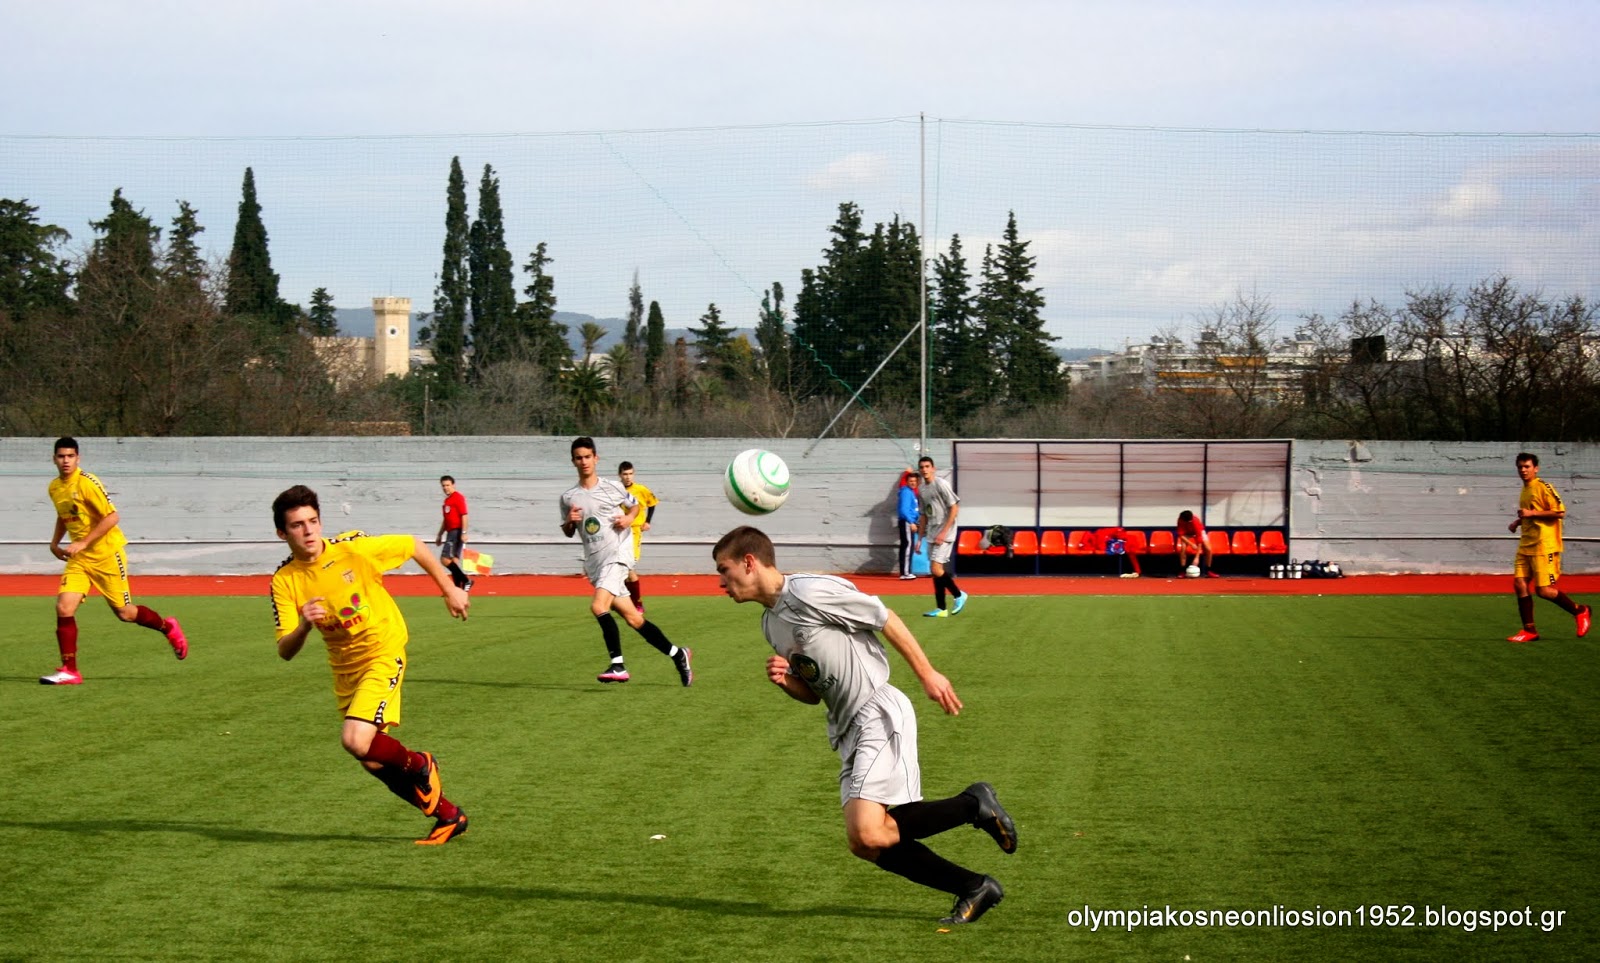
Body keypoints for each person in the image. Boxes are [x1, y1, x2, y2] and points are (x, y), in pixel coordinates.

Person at [711, 526, 1016, 925]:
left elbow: (884, 617)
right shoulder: (770, 624)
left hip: (876, 710)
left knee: (871, 832)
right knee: (865, 842)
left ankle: (973, 805)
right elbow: (814, 693)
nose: (721, 582)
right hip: (845, 728)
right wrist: (787, 682)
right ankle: (975, 884)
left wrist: (927, 674)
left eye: (724, 569)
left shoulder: (809, 592)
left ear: (749, 562)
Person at [269, 484, 471, 845]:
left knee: (354, 739)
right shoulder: (284, 581)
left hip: (382, 650)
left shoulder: (353, 549)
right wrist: (304, 625)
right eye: (297, 525)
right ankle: (449, 815)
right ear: (282, 534)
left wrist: (449, 589)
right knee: (372, 759)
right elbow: (285, 650)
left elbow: (413, 545)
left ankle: (422, 764)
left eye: (313, 521)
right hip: (345, 668)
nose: (309, 531)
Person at [40, 436, 187, 685]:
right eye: (61, 456)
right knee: (64, 608)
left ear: (78, 458)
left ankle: (168, 627)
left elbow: (112, 517)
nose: (66, 461)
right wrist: (55, 543)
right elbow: (64, 516)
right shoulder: (55, 487)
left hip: (107, 555)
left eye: (70, 456)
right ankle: (70, 670)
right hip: (80, 560)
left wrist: (83, 542)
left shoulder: (87, 483)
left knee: (125, 613)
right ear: (54, 459)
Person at [561, 437, 692, 686]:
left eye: (588, 457)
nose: (584, 461)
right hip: (596, 564)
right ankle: (678, 654)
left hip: (618, 555)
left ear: (596, 458)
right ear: (573, 461)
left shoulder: (613, 488)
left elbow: (635, 508)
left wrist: (629, 520)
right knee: (634, 619)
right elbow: (568, 532)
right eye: (579, 458)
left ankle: (618, 665)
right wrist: (569, 521)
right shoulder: (569, 497)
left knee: (598, 606)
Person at [1506, 452, 1591, 643]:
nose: (1523, 470)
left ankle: (1580, 611)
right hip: (1526, 544)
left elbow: (1559, 512)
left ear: (1536, 468)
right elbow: (1530, 512)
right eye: (1520, 467)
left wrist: (1531, 514)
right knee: (1519, 584)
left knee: (1543, 590)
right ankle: (1529, 630)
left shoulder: (1544, 487)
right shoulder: (1525, 489)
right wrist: (1517, 522)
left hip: (1544, 545)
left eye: (1527, 466)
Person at [916, 456, 968, 616]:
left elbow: (954, 508)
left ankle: (959, 594)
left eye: (927, 466)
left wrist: (944, 532)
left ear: (933, 468)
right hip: (932, 532)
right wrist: (919, 539)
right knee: (936, 571)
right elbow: (923, 515)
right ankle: (941, 608)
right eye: (922, 467)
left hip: (945, 532)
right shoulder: (921, 489)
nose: (924, 469)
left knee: (935, 568)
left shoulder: (941, 484)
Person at [618, 460, 659, 613]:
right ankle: (630, 601)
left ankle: (637, 602)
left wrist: (647, 521)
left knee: (629, 567)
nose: (628, 477)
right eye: (625, 474)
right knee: (621, 569)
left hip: (634, 532)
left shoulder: (641, 489)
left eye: (630, 474)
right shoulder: (615, 489)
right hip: (618, 532)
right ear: (620, 475)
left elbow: (652, 503)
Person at [435, 475, 472, 592]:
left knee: (444, 559)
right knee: (454, 560)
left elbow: (464, 515)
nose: (445, 488)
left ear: (453, 485)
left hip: (456, 532)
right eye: (443, 486)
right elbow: (446, 520)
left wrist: (464, 532)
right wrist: (440, 534)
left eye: (448, 485)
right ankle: (457, 590)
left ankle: (466, 580)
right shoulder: (447, 501)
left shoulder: (458, 497)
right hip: (451, 532)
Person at [1175, 510, 1218, 578]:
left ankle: (1209, 571)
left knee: (1208, 549)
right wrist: (1191, 544)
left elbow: (1199, 537)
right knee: (1183, 548)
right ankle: (1183, 571)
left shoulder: (1195, 521)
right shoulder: (1180, 520)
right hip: (1187, 534)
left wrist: (1197, 557)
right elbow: (1181, 535)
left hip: (1199, 533)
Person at [895, 469, 920, 580]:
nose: (913, 483)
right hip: (907, 522)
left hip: (909, 521)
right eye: (911, 481)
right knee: (908, 545)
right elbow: (904, 510)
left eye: (915, 481)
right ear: (907, 481)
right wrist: (911, 522)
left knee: (907, 545)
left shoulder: (911, 492)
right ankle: (905, 572)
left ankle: (906, 571)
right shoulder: (906, 492)